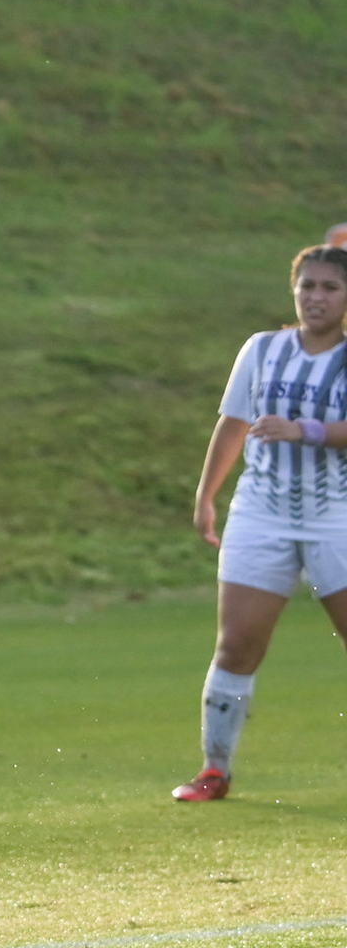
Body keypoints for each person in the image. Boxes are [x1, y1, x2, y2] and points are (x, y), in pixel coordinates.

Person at [177, 244, 347, 802]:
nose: (316, 297)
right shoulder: (262, 349)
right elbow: (233, 421)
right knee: (237, 646)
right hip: (261, 513)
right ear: (293, 290)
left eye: (329, 287)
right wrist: (207, 494)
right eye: (308, 286)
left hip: (335, 516)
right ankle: (214, 769)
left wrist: (309, 430)